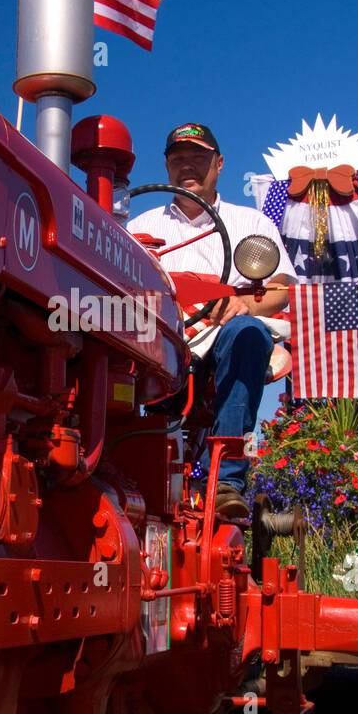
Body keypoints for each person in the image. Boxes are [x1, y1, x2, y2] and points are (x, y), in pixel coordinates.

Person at [127, 123, 297, 519]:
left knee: (248, 333)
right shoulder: (139, 227)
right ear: (167, 167)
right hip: (164, 336)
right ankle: (140, 469)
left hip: (224, 333)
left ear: (219, 164)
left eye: (198, 157)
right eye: (178, 158)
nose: (188, 165)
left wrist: (244, 306)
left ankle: (227, 480)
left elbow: (281, 291)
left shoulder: (250, 224)